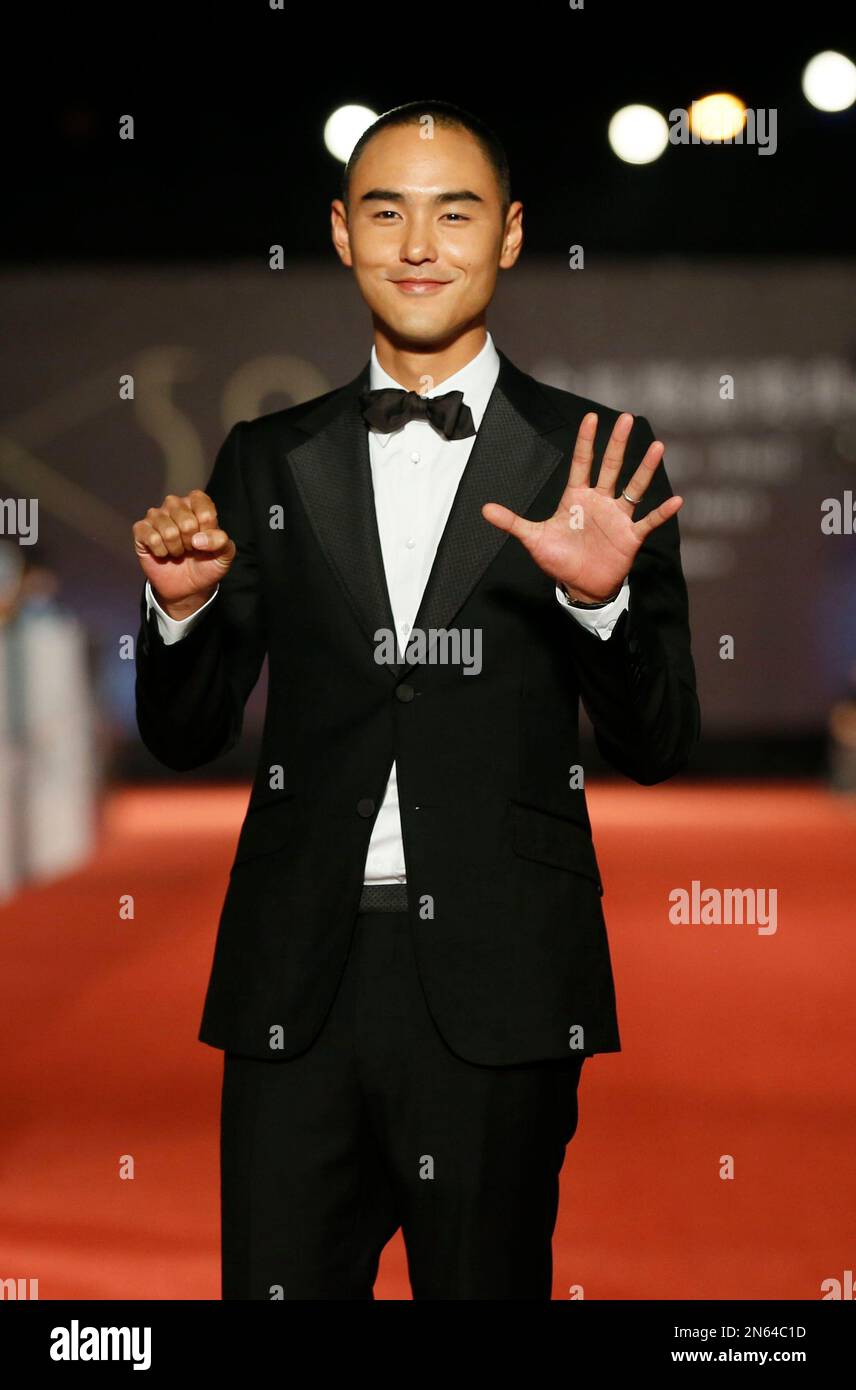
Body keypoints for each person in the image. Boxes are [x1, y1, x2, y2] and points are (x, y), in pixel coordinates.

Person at [132, 99, 700, 1300]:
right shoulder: (266, 457)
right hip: (298, 983)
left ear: (510, 234)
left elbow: (657, 741)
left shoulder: (592, 455)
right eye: (386, 212)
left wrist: (602, 605)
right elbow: (184, 736)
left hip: (502, 979)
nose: (419, 244)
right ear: (340, 234)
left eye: (456, 212)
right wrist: (179, 612)